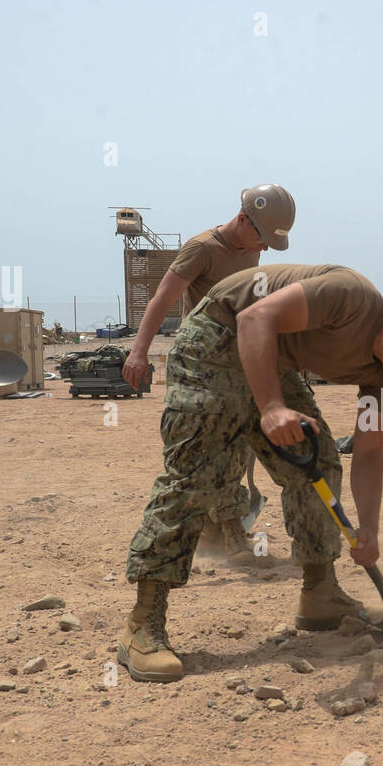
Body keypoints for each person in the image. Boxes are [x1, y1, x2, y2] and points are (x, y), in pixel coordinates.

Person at [119, 264, 383, 682]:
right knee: (197, 475)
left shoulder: (382, 380)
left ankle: (320, 593)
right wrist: (271, 407)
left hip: (272, 358)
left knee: (319, 463)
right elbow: (254, 318)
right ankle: (142, 624)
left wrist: (370, 529)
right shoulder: (350, 296)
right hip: (216, 338)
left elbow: (368, 453)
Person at [121, 185, 296, 565]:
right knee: (208, 446)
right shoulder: (202, 248)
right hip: (199, 363)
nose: (263, 248)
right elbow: (161, 299)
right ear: (243, 218)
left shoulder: (253, 248)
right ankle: (227, 532)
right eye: (262, 238)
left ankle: (217, 531)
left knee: (241, 443)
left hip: (237, 358)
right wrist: (138, 352)